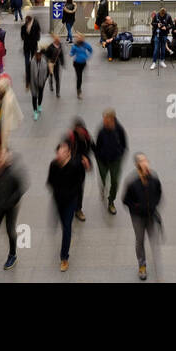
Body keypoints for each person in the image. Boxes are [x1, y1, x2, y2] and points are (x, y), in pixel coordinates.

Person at [0, 147, 26, 273]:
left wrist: (11, 202)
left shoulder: (13, 172)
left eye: (4, 155)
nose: (1, 158)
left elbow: (20, 189)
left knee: (10, 230)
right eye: (0, 156)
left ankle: (12, 255)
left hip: (10, 208)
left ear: (8, 157)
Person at [121, 153, 163, 280]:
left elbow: (159, 193)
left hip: (151, 215)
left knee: (154, 241)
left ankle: (157, 267)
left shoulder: (154, 179)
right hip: (138, 217)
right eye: (142, 161)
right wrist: (137, 207)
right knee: (140, 240)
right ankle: (142, 265)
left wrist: (154, 204)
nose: (145, 163)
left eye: (146, 160)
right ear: (137, 164)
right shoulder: (132, 182)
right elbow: (125, 200)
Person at [48, 140, 86, 271]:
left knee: (67, 227)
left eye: (63, 152)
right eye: (59, 152)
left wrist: (70, 194)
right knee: (62, 222)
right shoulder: (53, 165)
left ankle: (64, 257)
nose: (60, 155)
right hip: (58, 200)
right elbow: (50, 181)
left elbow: (80, 181)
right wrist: (57, 191)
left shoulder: (75, 165)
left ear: (68, 153)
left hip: (70, 201)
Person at [94, 109, 128, 214]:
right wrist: (99, 157)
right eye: (103, 119)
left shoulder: (119, 130)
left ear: (112, 119)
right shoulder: (101, 130)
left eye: (106, 120)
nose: (104, 122)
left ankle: (111, 201)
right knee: (103, 177)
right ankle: (103, 186)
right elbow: (97, 145)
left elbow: (124, 144)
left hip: (115, 161)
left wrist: (119, 154)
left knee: (115, 182)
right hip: (102, 161)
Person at [66, 117, 94, 220]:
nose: (81, 131)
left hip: (81, 168)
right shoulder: (70, 138)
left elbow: (91, 148)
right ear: (76, 129)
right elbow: (67, 154)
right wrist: (81, 158)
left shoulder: (86, 136)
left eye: (82, 129)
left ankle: (78, 209)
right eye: (79, 129)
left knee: (79, 189)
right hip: (71, 167)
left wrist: (88, 161)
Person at [20, 15, 41, 91]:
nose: (26, 22)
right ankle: (27, 73)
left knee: (32, 59)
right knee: (26, 61)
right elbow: (22, 34)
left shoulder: (35, 24)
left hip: (33, 45)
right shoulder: (24, 26)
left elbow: (39, 32)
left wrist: (37, 39)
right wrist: (24, 38)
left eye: (27, 21)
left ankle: (31, 72)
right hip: (26, 46)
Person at [29, 46, 49, 120]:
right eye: (36, 54)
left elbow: (47, 72)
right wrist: (28, 83)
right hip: (33, 81)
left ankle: (39, 105)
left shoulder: (44, 61)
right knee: (34, 96)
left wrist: (44, 79)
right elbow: (28, 73)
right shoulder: (31, 62)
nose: (37, 56)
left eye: (39, 54)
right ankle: (35, 112)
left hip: (41, 81)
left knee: (40, 94)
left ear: (41, 55)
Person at [42, 34, 64, 98]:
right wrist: (48, 60)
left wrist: (62, 62)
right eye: (56, 39)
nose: (58, 41)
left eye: (58, 39)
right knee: (47, 76)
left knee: (57, 78)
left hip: (56, 65)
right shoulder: (50, 46)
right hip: (50, 64)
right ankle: (47, 86)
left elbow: (61, 55)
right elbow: (46, 54)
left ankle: (58, 92)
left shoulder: (60, 46)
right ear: (54, 40)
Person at [70, 35, 92, 99]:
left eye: (81, 38)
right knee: (79, 77)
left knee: (80, 77)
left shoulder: (85, 44)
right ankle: (79, 91)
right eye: (78, 38)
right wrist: (71, 54)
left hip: (83, 63)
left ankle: (79, 89)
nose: (80, 39)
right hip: (76, 63)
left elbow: (90, 50)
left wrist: (88, 56)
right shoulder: (75, 45)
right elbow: (72, 52)